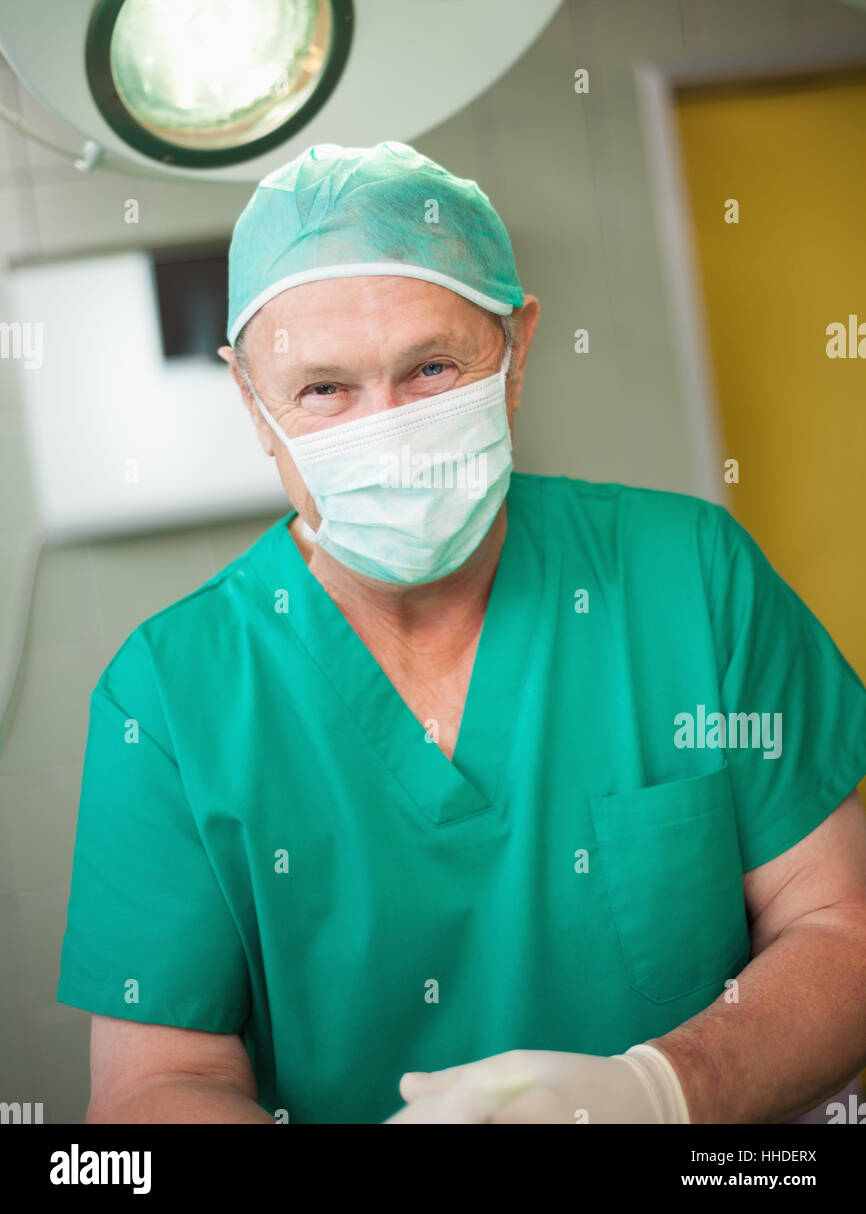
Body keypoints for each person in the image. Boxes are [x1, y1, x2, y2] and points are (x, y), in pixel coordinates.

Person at [58, 141, 866, 1124]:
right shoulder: (169, 695)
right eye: (324, 389)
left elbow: (840, 928)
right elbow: (157, 1084)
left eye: (432, 368)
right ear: (252, 401)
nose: (389, 434)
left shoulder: (685, 576)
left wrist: (661, 1092)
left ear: (516, 350)